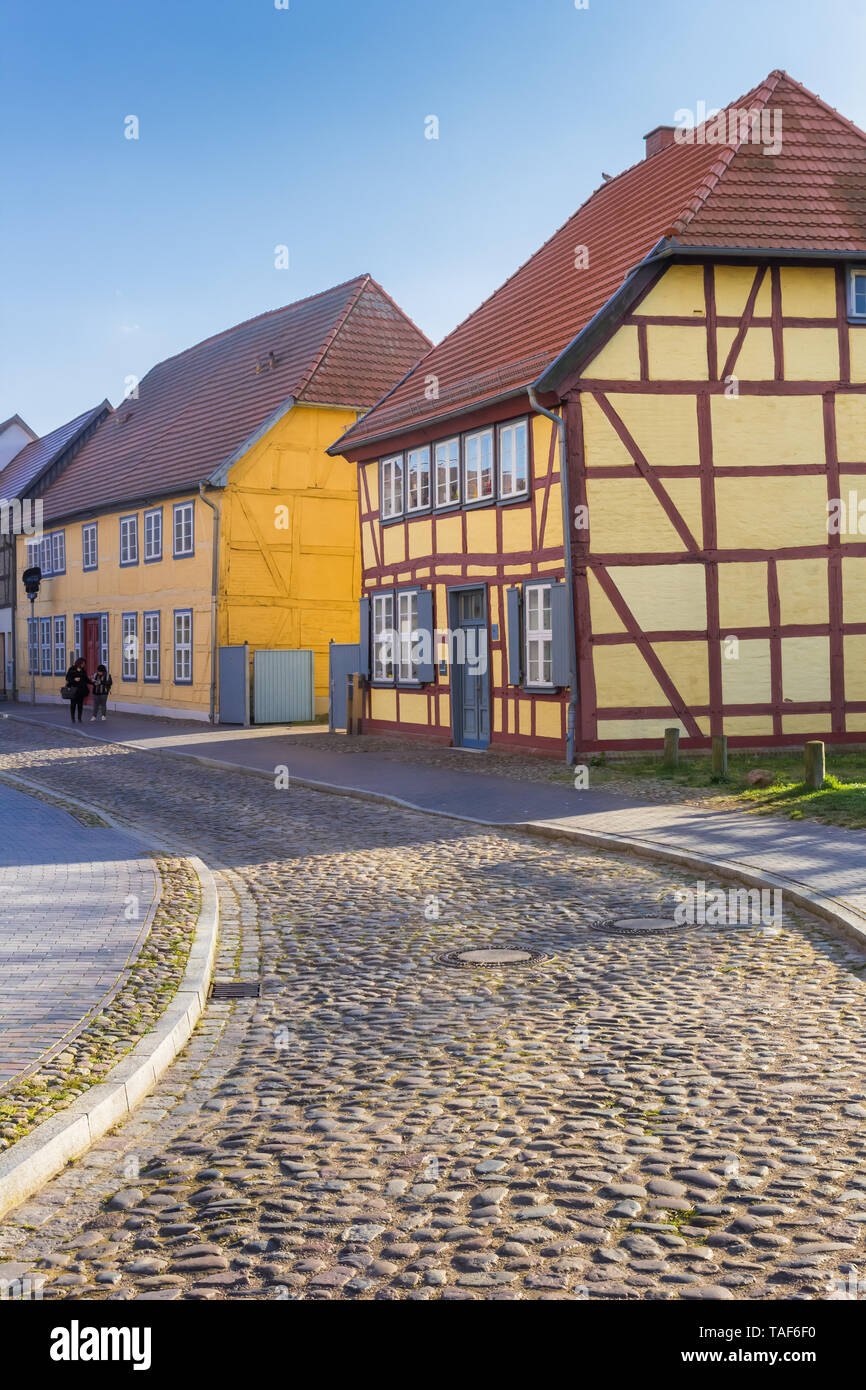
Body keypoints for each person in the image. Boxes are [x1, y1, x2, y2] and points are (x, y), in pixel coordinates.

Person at [65, 656, 89, 723]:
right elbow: (67, 678)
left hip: (81, 690)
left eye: (84, 664)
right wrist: (74, 679)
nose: (83, 665)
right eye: (82, 664)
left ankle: (79, 718)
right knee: (73, 705)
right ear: (79, 663)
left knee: (80, 705)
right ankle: (73, 718)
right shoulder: (72, 669)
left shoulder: (83, 670)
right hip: (73, 689)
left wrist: (93, 682)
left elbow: (86, 679)